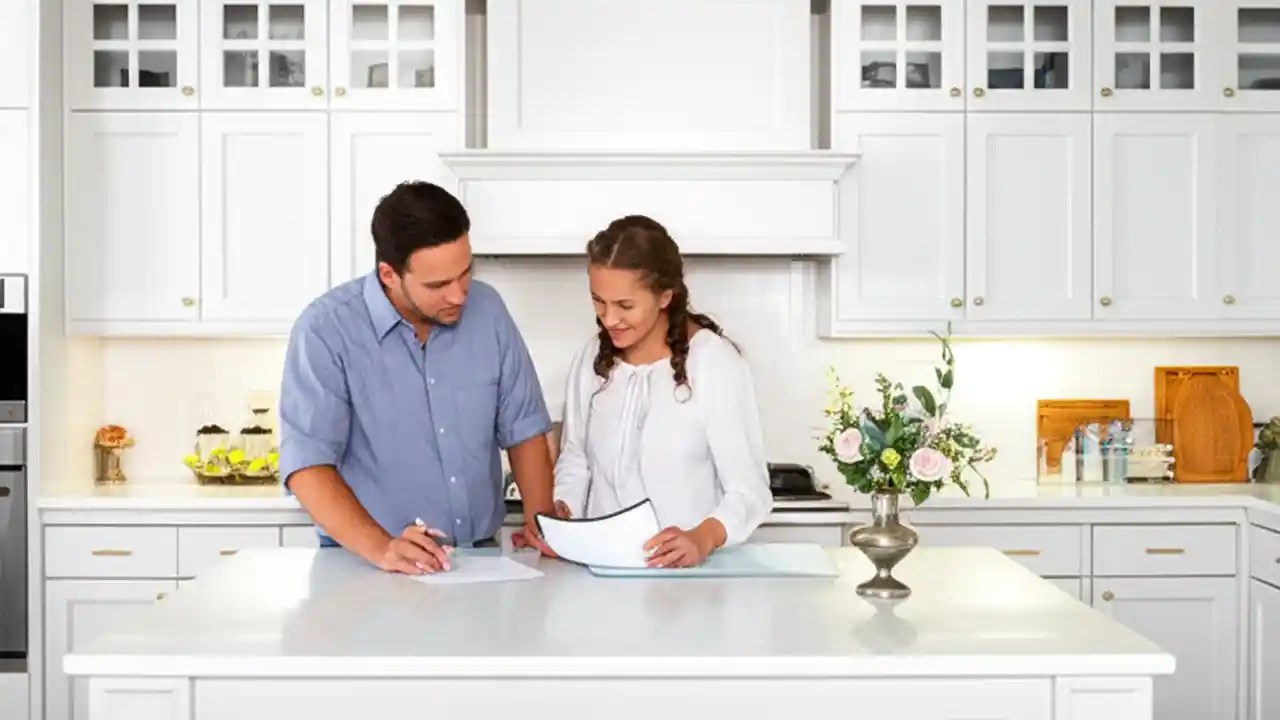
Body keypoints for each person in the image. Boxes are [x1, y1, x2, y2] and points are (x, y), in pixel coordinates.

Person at [278, 181, 558, 575]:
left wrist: (540, 520)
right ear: (389, 274)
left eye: (465, 273)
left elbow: (524, 427)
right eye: (438, 285)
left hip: (479, 563)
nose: (460, 294)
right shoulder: (325, 331)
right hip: (367, 564)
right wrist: (382, 549)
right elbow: (307, 465)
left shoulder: (488, 310)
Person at [552, 215, 773, 568]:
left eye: (625, 305)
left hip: (688, 585)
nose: (608, 319)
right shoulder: (591, 358)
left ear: (665, 296)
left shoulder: (712, 362)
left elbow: (750, 492)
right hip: (600, 574)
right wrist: (563, 510)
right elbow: (576, 457)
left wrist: (702, 538)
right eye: (598, 301)